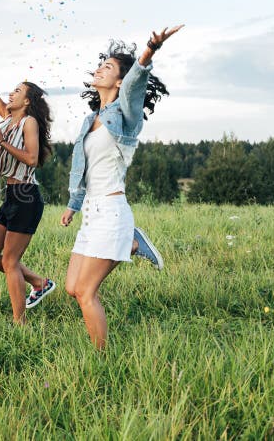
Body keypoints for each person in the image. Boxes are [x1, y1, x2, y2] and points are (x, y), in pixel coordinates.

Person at [60, 26, 183, 349]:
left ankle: (101, 361)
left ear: (119, 81)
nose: (100, 68)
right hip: (92, 213)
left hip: (112, 211)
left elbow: (134, 84)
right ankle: (130, 244)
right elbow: (84, 169)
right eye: (101, 64)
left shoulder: (124, 115)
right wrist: (73, 205)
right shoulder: (92, 120)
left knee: (87, 293)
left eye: (109, 67)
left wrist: (149, 50)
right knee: (72, 287)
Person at [0, 26, 56, 324]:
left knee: (9, 261)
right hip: (11, 195)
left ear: (27, 101)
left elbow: (32, 159)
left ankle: (19, 323)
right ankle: (39, 282)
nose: (11, 93)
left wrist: (2, 141)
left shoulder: (28, 122)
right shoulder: (9, 117)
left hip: (25, 196)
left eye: (17, 91)